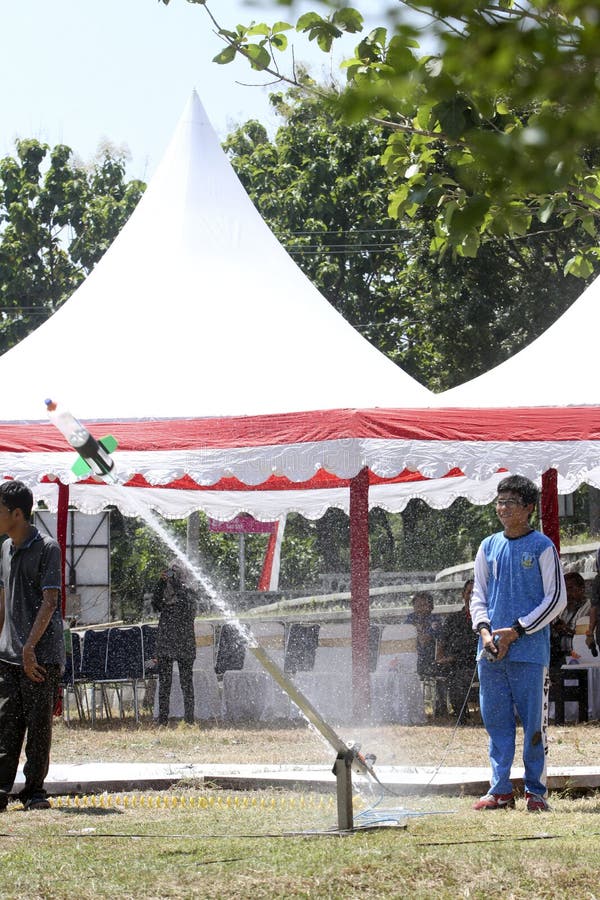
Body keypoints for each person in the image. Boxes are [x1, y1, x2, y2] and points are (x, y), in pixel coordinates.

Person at [470, 474, 566, 813]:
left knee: (534, 724)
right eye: (499, 502)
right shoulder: (488, 546)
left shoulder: (542, 546)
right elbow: (478, 594)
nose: (503, 508)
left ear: (528, 508)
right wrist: (484, 630)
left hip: (528, 651)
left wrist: (517, 630)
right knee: (496, 723)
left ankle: (536, 791)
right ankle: (499, 789)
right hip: (491, 651)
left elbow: (556, 599)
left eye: (510, 502)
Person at [0, 480, 65, 811]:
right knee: (5, 725)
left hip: (40, 654)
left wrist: (28, 648)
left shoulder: (48, 548)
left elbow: (50, 601)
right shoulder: (4, 548)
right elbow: (2, 600)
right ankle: (0, 791)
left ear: (16, 513)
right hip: (8, 655)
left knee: (38, 726)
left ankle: (34, 791)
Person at [152, 560, 197, 726]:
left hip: (184, 641)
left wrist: (176, 582)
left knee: (186, 682)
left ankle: (189, 719)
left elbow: (188, 605)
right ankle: (163, 719)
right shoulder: (165, 593)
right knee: (164, 682)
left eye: (176, 572)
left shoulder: (190, 591)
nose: (172, 575)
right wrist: (160, 582)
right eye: (171, 572)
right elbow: (155, 603)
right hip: (166, 639)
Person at [436, 579, 479, 721]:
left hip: (480, 663)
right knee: (455, 677)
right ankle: (461, 715)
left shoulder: (488, 618)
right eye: (469, 592)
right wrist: (442, 658)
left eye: (475, 593)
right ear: (463, 595)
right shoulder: (453, 619)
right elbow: (442, 643)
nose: (472, 596)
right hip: (457, 664)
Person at [550, 571, 590, 672]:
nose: (567, 594)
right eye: (564, 590)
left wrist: (568, 631)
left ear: (582, 589)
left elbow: (587, 637)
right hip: (559, 656)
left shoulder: (589, 609)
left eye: (571, 589)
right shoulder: (562, 608)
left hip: (582, 658)